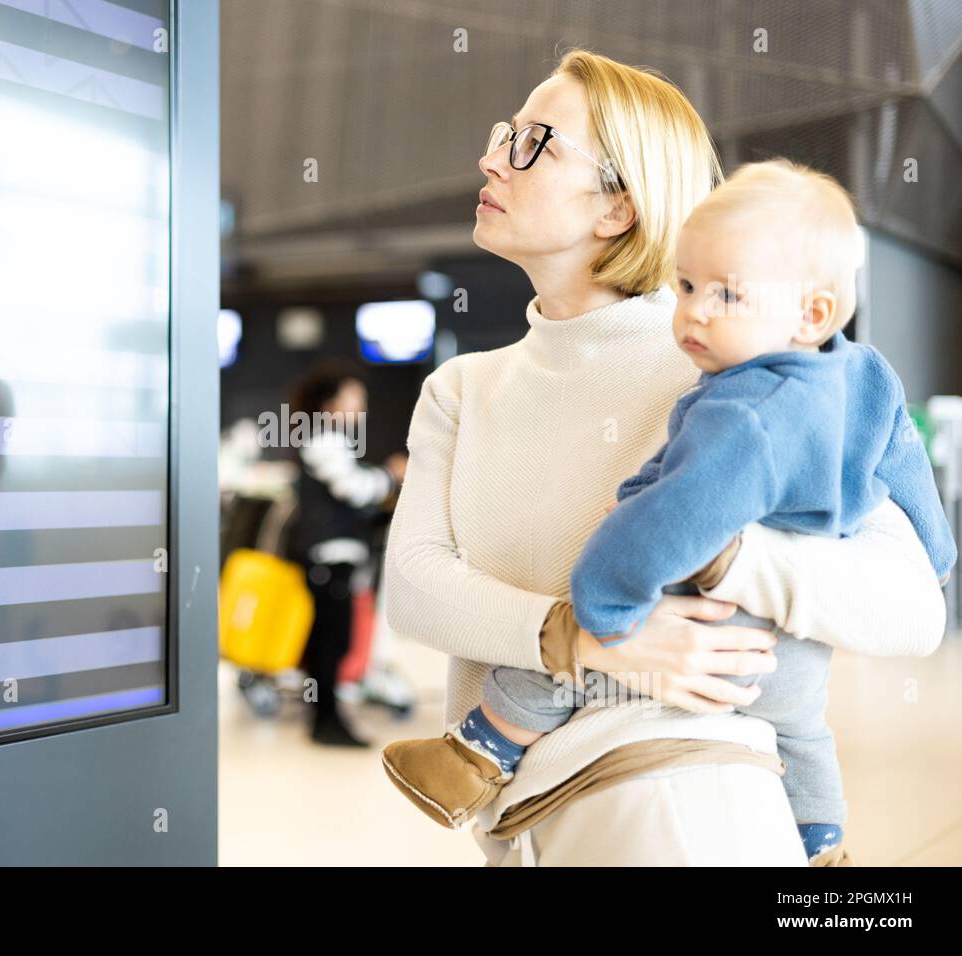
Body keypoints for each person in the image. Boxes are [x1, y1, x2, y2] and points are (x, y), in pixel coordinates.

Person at [381, 50, 946, 866]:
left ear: (618, 204)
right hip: (525, 823)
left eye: (533, 141)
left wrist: (724, 558)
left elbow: (911, 607)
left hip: (686, 798)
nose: (491, 156)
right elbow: (413, 589)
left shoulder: (744, 370)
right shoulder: (462, 389)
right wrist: (575, 639)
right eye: (504, 133)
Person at [289, 362, 407, 746]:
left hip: (333, 557)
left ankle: (327, 720)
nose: (362, 408)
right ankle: (326, 724)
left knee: (332, 641)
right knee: (331, 642)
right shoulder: (326, 440)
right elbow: (353, 490)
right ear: (331, 403)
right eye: (355, 398)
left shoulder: (328, 441)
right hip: (330, 557)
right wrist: (390, 475)